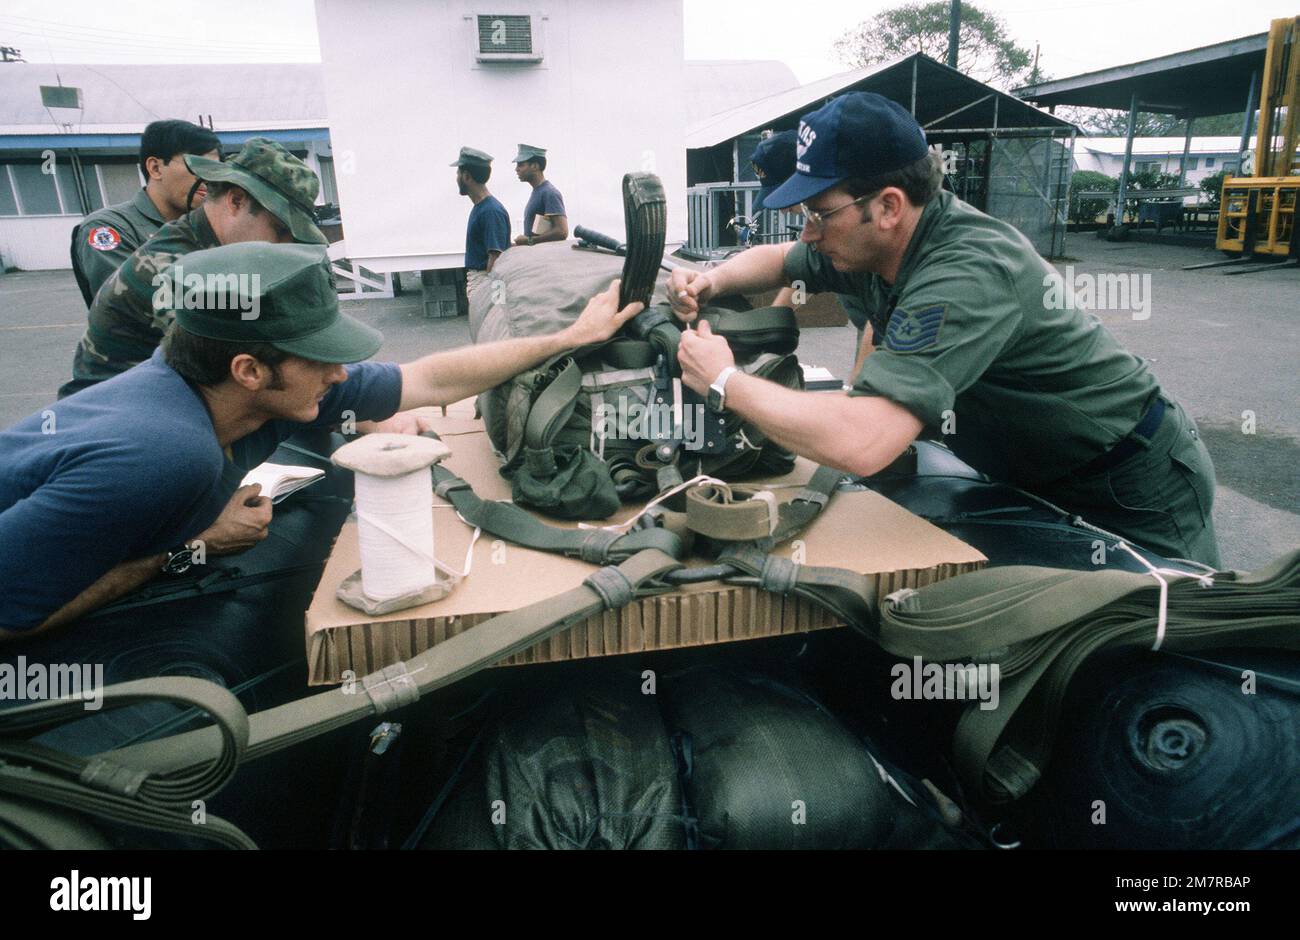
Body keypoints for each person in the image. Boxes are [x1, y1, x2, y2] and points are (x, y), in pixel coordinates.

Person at [671, 92, 1220, 567]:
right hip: (1032, 468)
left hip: (1130, 481)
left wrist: (724, 381)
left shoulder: (966, 271)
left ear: (887, 206)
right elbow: (778, 259)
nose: (809, 233)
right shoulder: (868, 246)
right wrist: (710, 283)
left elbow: (866, 443)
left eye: (818, 213)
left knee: (1176, 643)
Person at [0, 242, 644, 637]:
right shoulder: (166, 456)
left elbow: (424, 377)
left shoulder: (229, 388)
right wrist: (190, 546)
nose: (340, 374)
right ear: (249, 370)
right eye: (321, 357)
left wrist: (567, 340)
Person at [59, 137, 327, 399]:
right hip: (114, 416)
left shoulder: (216, 250)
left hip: (164, 401)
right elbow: (262, 363)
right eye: (280, 230)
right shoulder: (171, 268)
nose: (284, 246)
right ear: (236, 201)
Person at [751, 130, 873, 376]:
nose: (783, 211)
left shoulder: (854, 226)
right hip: (871, 331)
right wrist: (774, 328)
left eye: (783, 196)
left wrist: (855, 388)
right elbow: (802, 280)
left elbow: (882, 323)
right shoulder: (825, 225)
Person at [70, 119, 222, 308]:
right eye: (198, 165)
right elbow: (133, 306)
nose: (209, 177)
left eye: (215, 169)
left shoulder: (209, 226)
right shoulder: (110, 228)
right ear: (156, 168)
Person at [452, 147, 512, 299]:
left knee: (489, 322)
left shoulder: (491, 211)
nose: (456, 178)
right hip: (480, 281)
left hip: (484, 282)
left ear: (466, 176)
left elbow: (496, 259)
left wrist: (494, 300)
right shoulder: (482, 208)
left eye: (458, 173)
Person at [512, 144, 568, 246]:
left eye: (520, 165)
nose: (516, 169)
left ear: (535, 166)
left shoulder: (549, 193)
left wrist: (529, 240)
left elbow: (562, 231)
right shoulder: (538, 192)